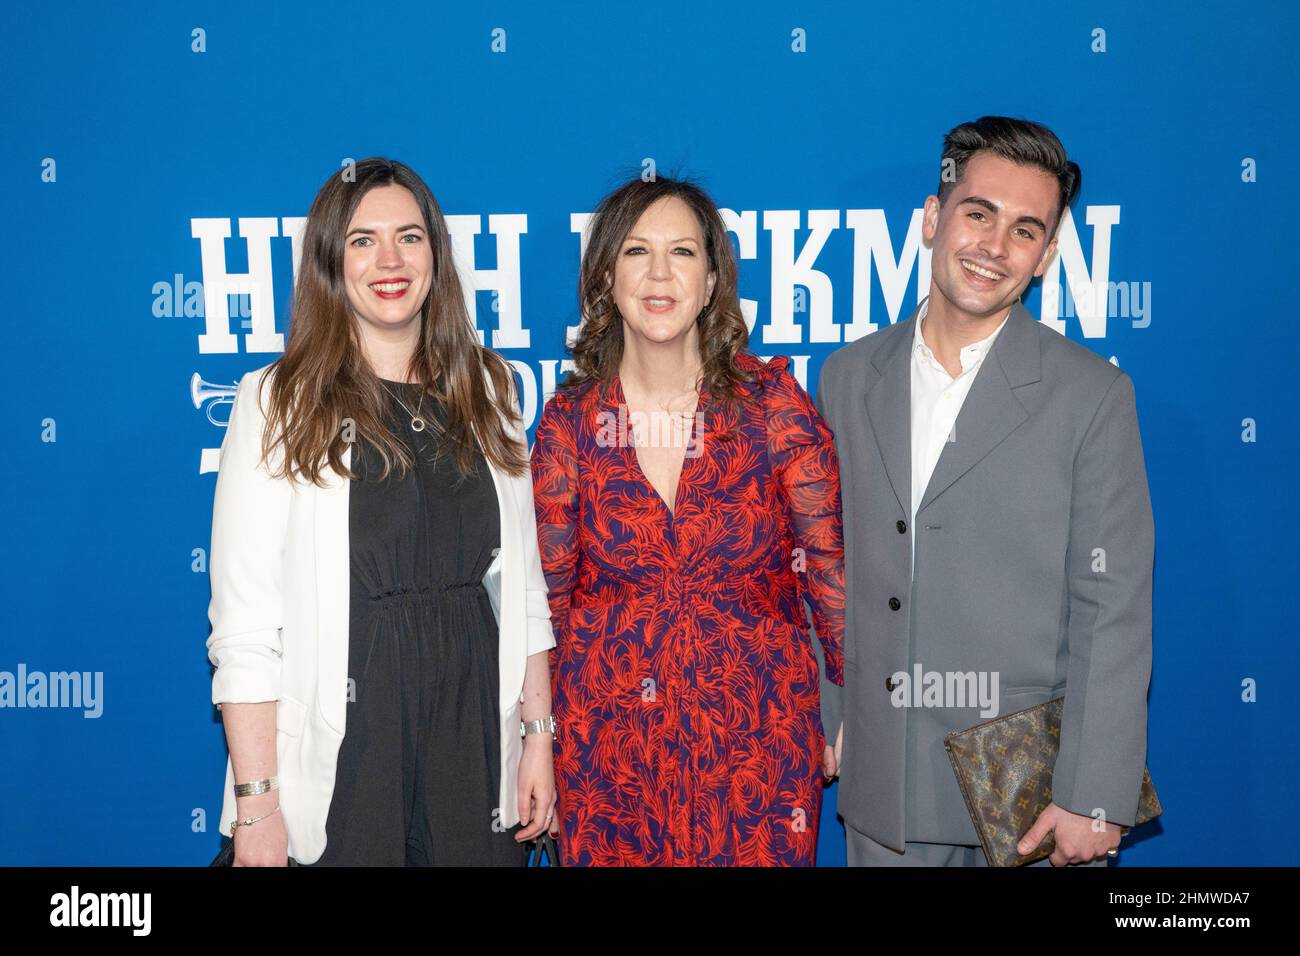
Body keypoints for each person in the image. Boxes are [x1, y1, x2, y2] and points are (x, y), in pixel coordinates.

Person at [817, 116, 1155, 866]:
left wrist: (1095, 792)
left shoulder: (1092, 395)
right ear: (934, 219)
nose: (994, 247)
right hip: (884, 790)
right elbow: (822, 565)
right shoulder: (846, 377)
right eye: (978, 214)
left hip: (1029, 801)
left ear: (1046, 256)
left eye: (1025, 230)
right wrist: (827, 714)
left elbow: (1114, 605)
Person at [206, 157, 557, 866]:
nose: (389, 261)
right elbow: (244, 632)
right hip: (352, 744)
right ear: (332, 261)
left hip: (473, 738)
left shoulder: (489, 387)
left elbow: (521, 589)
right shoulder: (278, 401)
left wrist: (536, 738)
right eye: (362, 240)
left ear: (437, 253)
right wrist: (259, 805)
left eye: (410, 236)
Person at [530, 174, 845, 866]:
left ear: (711, 281)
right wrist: (536, 740)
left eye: (683, 252)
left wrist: (848, 707)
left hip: (761, 746)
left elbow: (830, 575)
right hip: (607, 754)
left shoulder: (774, 408)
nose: (661, 273)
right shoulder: (570, 425)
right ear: (606, 279)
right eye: (638, 252)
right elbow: (543, 610)